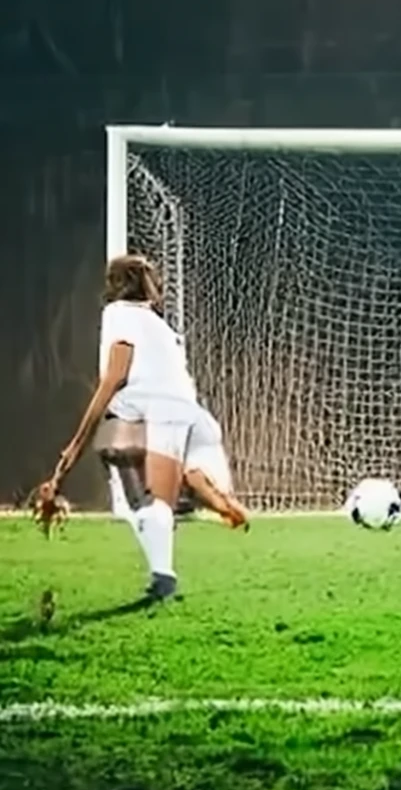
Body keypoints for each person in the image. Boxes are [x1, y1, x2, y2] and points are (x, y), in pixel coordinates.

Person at [36, 254, 248, 601]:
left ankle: (165, 569)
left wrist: (71, 453)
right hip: (189, 414)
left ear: (115, 284)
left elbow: (115, 377)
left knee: (136, 487)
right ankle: (195, 497)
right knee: (158, 489)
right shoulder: (162, 328)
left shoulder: (117, 314)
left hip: (143, 412)